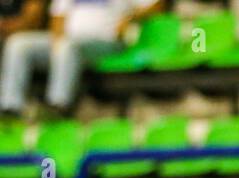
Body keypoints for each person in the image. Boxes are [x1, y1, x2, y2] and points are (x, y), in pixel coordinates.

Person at [0, 0, 160, 118]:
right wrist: (56, 44)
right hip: (67, 45)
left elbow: (157, 4)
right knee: (18, 43)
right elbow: (58, 16)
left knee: (68, 46)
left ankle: (58, 106)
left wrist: (132, 17)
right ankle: (10, 106)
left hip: (106, 44)